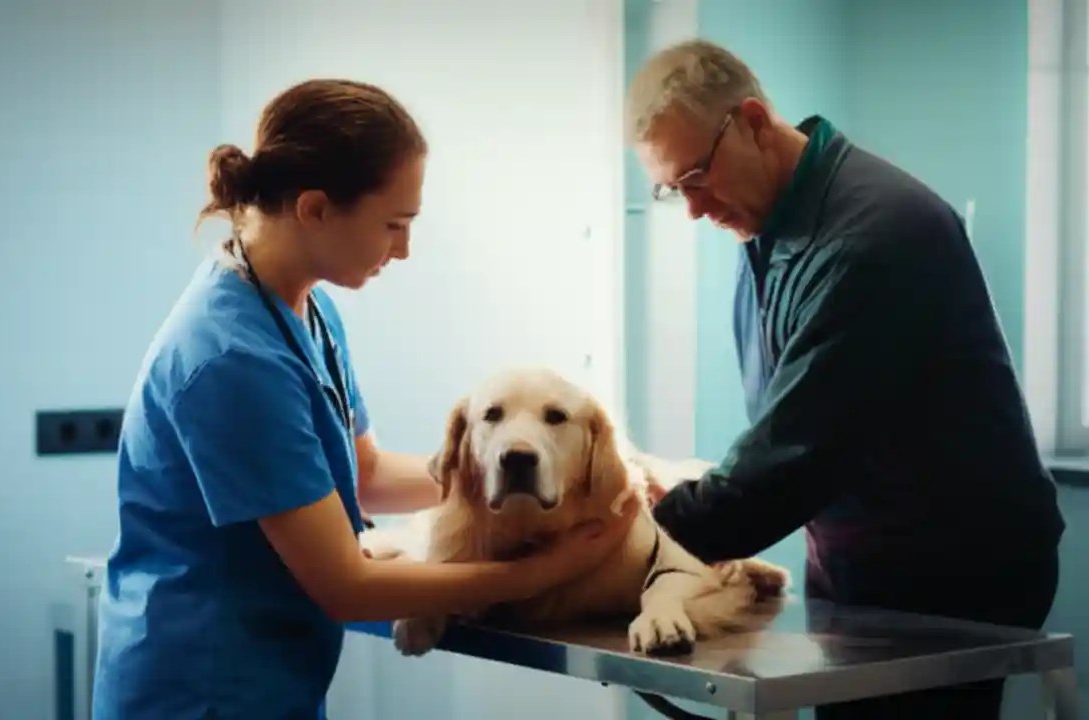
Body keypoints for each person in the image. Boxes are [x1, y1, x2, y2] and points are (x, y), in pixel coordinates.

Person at [90, 78, 637, 720]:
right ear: (316, 208)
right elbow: (348, 587)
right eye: (394, 225)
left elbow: (366, 475)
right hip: (200, 690)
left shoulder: (305, 306)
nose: (404, 249)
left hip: (272, 681)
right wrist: (546, 570)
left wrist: (548, 478)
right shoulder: (232, 360)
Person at [625, 40, 1065, 719]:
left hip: (953, 574)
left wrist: (632, 541)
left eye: (696, 178)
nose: (692, 209)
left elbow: (793, 458)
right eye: (671, 188)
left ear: (750, 120)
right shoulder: (769, 225)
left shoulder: (876, 237)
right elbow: (783, 428)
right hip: (860, 562)